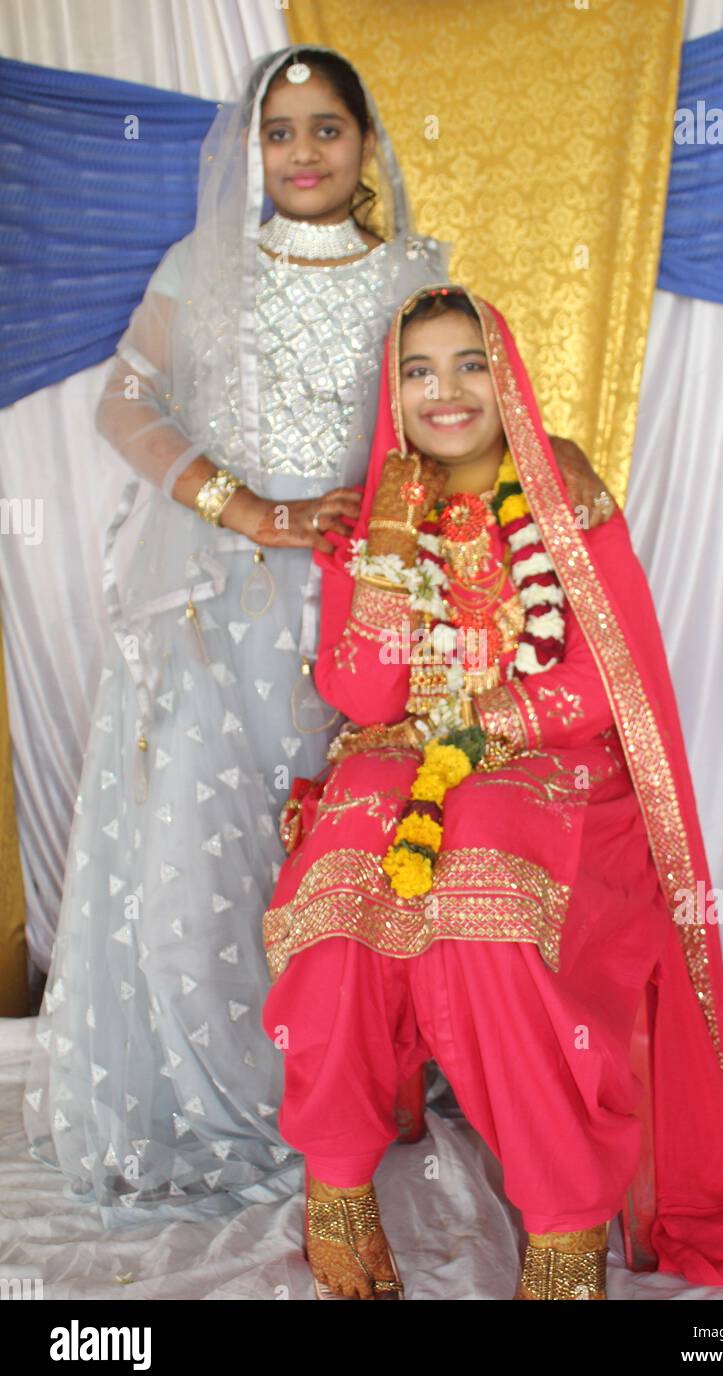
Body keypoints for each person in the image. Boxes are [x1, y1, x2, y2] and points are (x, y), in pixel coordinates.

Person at [260, 284, 723, 1300]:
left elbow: (601, 680)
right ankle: (338, 1183)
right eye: (417, 371)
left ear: (507, 378)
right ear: (391, 393)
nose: (445, 391)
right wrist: (390, 550)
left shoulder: (560, 497)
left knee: (483, 904)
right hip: (405, 753)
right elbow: (359, 690)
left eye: (469, 365)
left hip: (557, 766)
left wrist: (483, 724)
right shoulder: (379, 513)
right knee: (341, 875)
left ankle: (561, 1223)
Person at [21, 43, 458, 1228]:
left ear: (367, 143)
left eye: (327, 128)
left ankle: (346, 1086)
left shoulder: (415, 273)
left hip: (367, 608)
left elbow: (454, 424)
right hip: (216, 604)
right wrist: (247, 508)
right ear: (252, 149)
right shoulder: (206, 265)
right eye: (281, 130)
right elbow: (125, 398)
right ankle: (216, 1089)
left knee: (347, 849)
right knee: (206, 846)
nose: (304, 152)